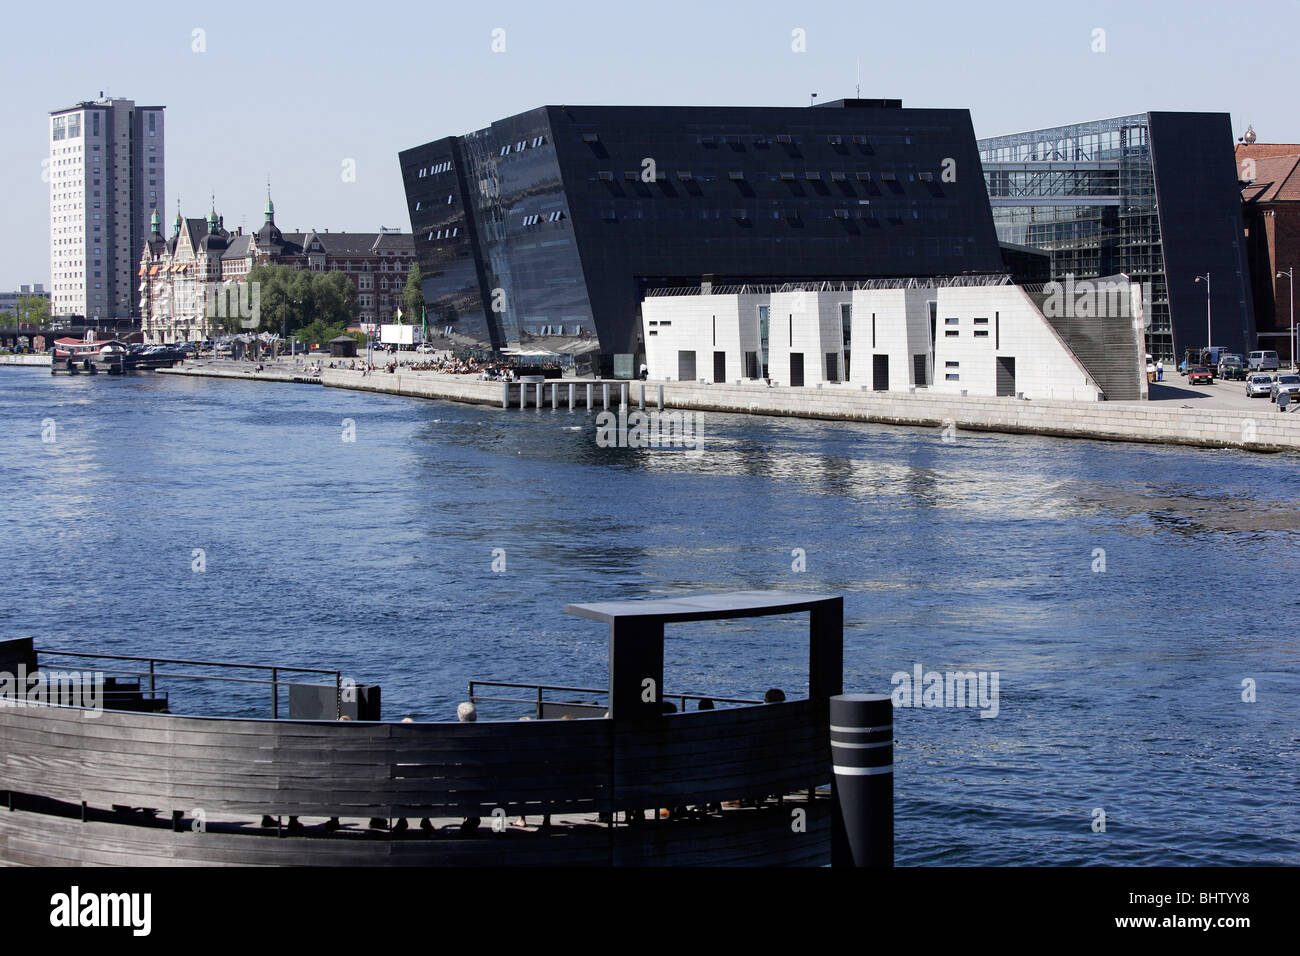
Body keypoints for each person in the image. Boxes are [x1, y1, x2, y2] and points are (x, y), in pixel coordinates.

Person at [457, 702, 480, 832]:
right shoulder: (487, 735)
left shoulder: (452, 738)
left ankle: (469, 816)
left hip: (458, 786)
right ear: (476, 716)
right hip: (487, 786)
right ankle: (498, 825)